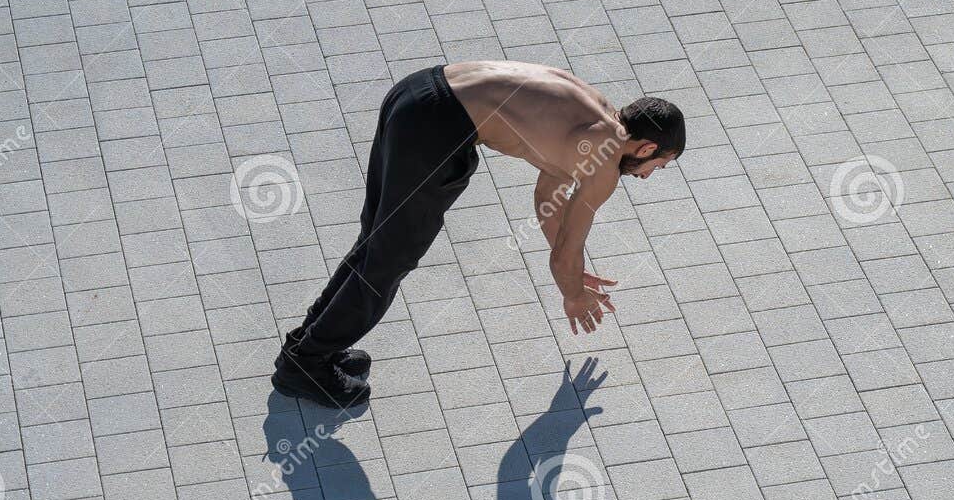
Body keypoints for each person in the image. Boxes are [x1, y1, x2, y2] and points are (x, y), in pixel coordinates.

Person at [272, 61, 684, 407]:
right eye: (658, 166)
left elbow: (547, 202)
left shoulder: (600, 118)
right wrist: (573, 293)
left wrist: (572, 272)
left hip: (419, 92)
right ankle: (305, 365)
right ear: (646, 148)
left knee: (376, 242)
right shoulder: (605, 164)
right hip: (436, 128)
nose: (649, 176)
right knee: (389, 257)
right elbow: (564, 254)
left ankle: (308, 348)